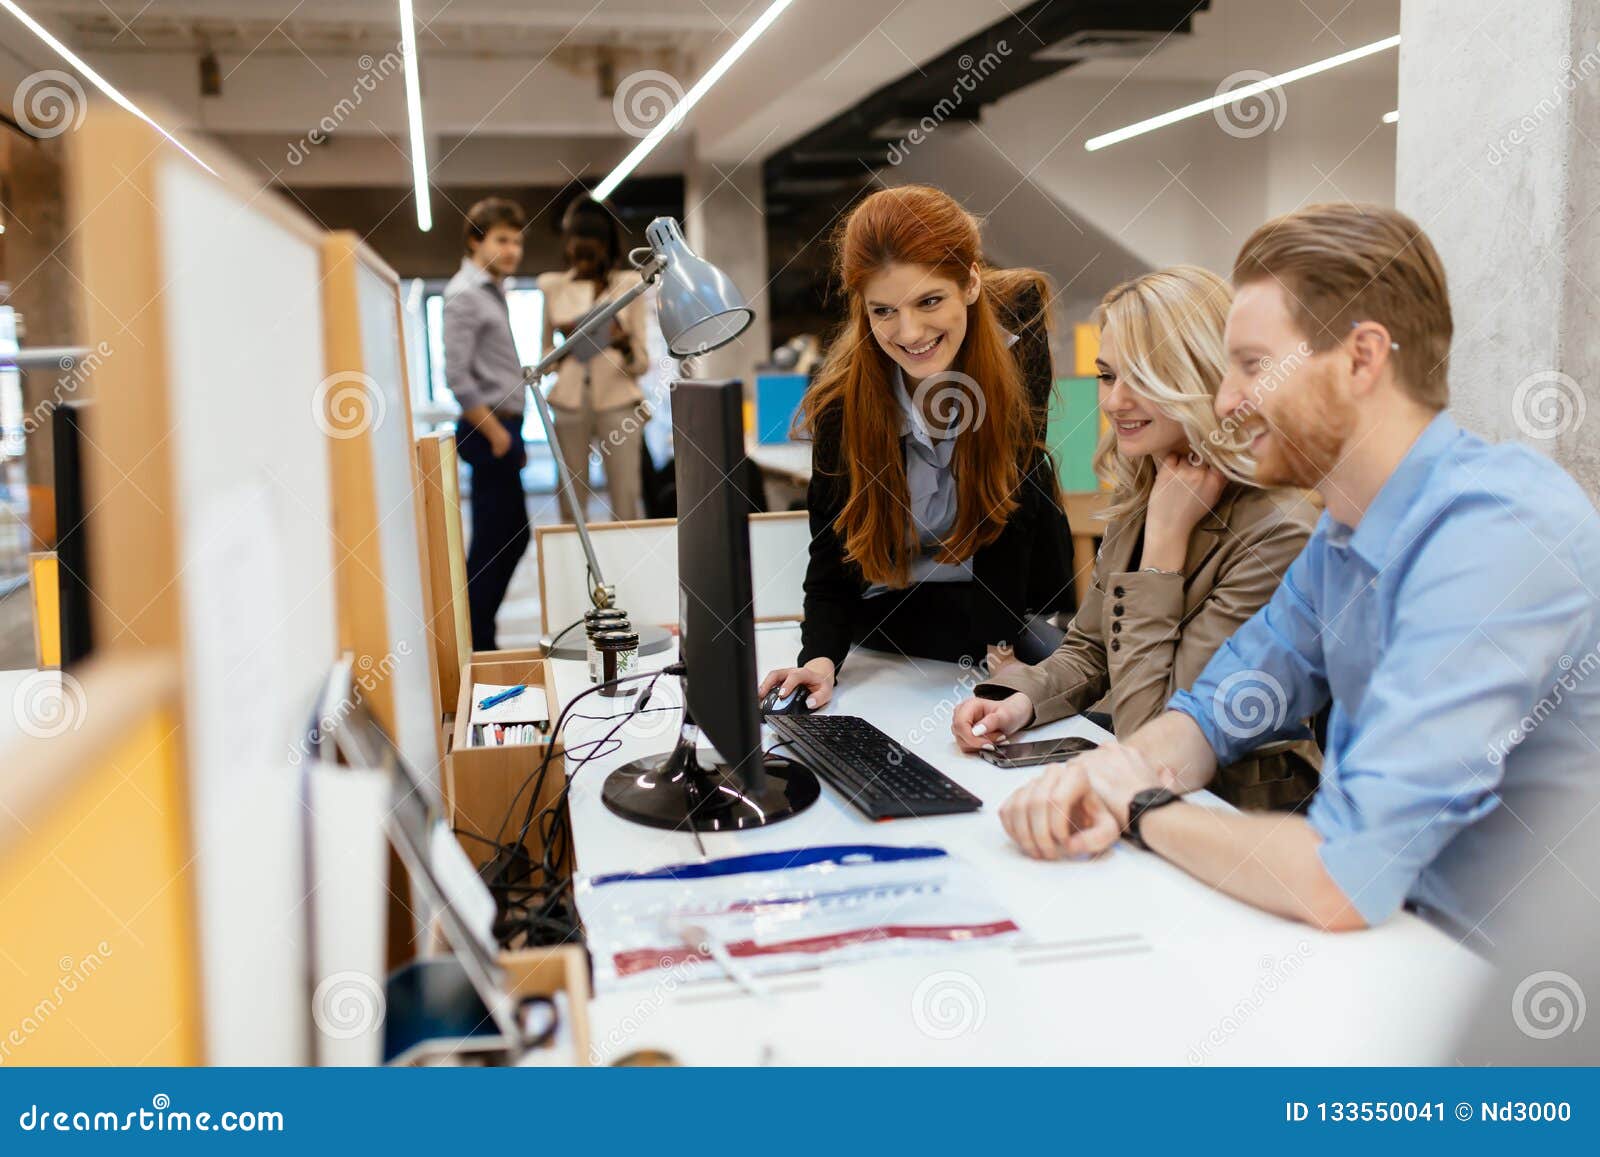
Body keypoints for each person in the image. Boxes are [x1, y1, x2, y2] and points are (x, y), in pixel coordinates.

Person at [997, 203, 1600, 946]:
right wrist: (1107, 773)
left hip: (1508, 986)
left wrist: (1142, 804)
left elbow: (1344, 875)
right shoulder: (1342, 540)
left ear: (1362, 357)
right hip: (1401, 946)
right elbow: (1211, 713)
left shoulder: (1496, 532)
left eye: (1254, 365)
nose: (1224, 402)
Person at [952, 266, 1321, 811]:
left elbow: (1155, 732)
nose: (1113, 401)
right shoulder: (1152, 484)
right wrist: (1019, 701)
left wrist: (1164, 549)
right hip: (1157, 797)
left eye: (1141, 379)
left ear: (1202, 379)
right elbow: (1090, 648)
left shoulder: (1277, 534)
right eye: (1107, 375)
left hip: (1236, 813)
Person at [759, 184, 1076, 710]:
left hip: (1014, 606)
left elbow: (1007, 508)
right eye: (883, 311)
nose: (910, 333)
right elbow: (833, 549)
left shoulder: (1017, 356)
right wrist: (819, 659)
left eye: (930, 300)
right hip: (898, 617)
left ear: (970, 282)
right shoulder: (843, 405)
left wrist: (1003, 657)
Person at [444, 196, 530, 652]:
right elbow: (457, 376)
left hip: (504, 428)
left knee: (508, 537)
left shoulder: (492, 291)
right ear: (476, 240)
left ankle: (480, 637)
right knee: (497, 541)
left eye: (517, 241)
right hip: (487, 429)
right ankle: (477, 643)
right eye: (502, 239)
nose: (513, 249)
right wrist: (498, 434)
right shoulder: (464, 294)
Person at [537, 195, 651, 523]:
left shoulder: (630, 286)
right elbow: (545, 359)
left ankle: (627, 567)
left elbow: (641, 363)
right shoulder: (553, 287)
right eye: (576, 245)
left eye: (591, 247)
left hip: (618, 400)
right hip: (569, 403)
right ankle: (575, 566)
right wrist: (564, 346)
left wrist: (624, 344)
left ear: (606, 245)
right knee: (571, 498)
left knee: (626, 494)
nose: (582, 255)